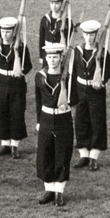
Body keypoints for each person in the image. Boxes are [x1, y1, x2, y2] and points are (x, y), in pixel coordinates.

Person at [35, 43, 79, 206]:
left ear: (61, 58)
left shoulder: (69, 76)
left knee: (62, 154)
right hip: (46, 119)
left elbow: (76, 98)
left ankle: (59, 191)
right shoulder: (40, 76)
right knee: (46, 154)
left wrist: (67, 100)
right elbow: (38, 100)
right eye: (50, 57)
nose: (52, 60)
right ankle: (49, 189)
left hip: (63, 120)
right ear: (46, 58)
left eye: (56, 57)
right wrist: (39, 121)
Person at [0, 17, 32, 158]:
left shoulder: (21, 47)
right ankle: (5, 144)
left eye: (8, 31)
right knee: (2, 114)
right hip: (1, 83)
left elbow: (28, 65)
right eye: (2, 31)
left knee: (16, 114)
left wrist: (21, 70)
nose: (5, 34)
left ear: (13, 32)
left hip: (16, 84)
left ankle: (15, 146)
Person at [72, 20, 110, 171]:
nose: (89, 38)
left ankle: (94, 156)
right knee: (81, 121)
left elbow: (107, 73)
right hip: (81, 90)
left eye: (92, 35)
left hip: (96, 93)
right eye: (87, 34)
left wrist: (100, 80)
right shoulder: (77, 51)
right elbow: (73, 72)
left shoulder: (103, 53)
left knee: (97, 122)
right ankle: (83, 154)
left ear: (96, 35)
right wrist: (73, 94)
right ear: (83, 35)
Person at [38, 0, 72, 68]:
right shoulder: (45, 20)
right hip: (48, 53)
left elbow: (69, 39)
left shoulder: (67, 21)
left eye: (57, 3)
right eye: (52, 3)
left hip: (61, 53)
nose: (54, 6)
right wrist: (41, 56)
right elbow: (41, 38)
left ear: (61, 4)